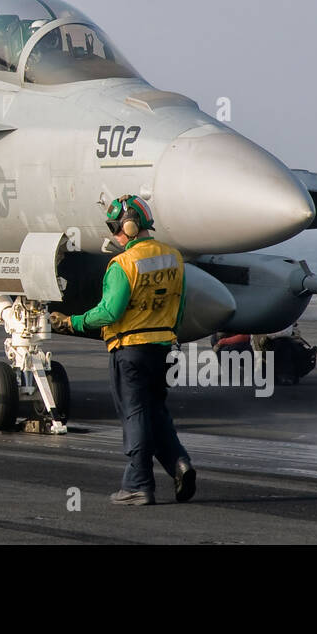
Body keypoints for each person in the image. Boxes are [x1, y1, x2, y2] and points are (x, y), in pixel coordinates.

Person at [49, 195, 196, 505]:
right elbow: (180, 307)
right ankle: (179, 463)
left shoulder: (123, 264)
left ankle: (138, 485)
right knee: (156, 412)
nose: (114, 234)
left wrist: (72, 321)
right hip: (163, 348)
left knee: (135, 415)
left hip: (130, 349)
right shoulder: (174, 258)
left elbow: (109, 312)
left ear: (129, 227)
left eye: (116, 228)